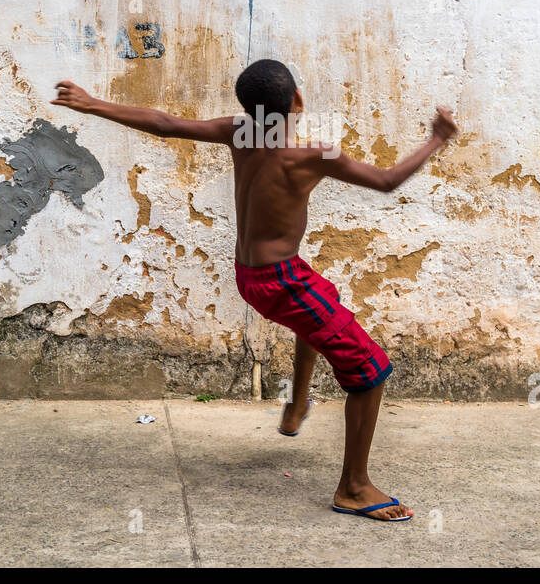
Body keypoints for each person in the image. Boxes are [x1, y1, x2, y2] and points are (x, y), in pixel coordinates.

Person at [52, 58, 457, 521]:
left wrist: (92, 103)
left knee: (325, 302)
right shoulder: (313, 156)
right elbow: (386, 181)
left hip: (254, 275)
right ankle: (354, 488)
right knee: (370, 370)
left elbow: (164, 124)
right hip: (281, 282)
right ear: (297, 100)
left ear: (247, 107)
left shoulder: (237, 132)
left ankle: (296, 405)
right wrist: (437, 139)